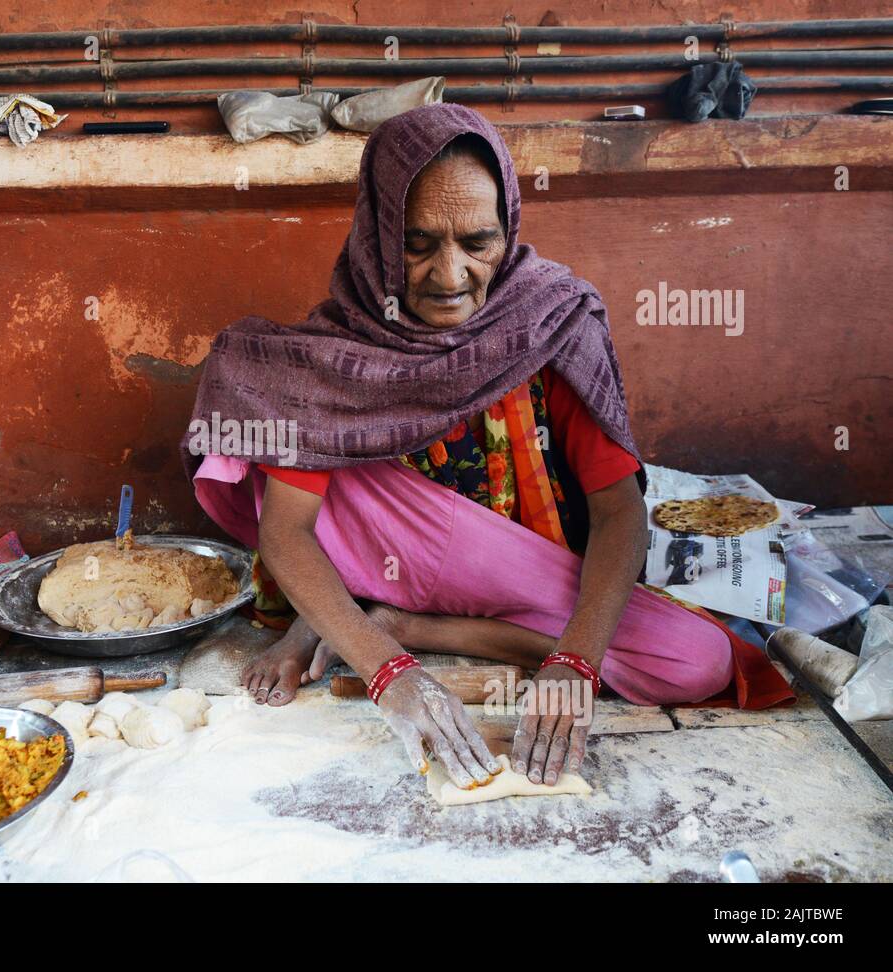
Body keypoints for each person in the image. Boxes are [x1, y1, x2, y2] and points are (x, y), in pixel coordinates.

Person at [181, 104, 774, 793]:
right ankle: (354, 623)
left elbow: (618, 511)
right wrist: (391, 676)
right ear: (377, 235)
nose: (449, 275)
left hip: (520, 580)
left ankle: (402, 625)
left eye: (478, 242)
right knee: (283, 400)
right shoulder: (328, 364)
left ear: (509, 228)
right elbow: (287, 534)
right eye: (419, 242)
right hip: (385, 560)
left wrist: (576, 661)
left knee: (699, 662)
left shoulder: (551, 323)